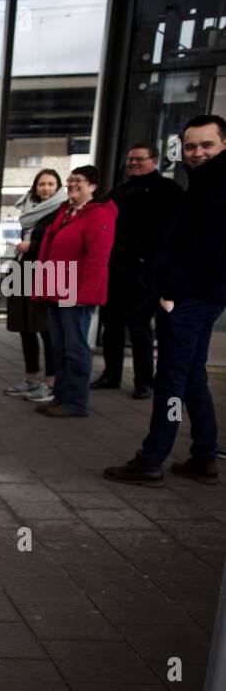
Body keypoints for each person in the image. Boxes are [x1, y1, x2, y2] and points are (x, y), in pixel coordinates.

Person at [105, 113, 226, 486]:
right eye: (191, 146)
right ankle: (204, 455)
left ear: (223, 145)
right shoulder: (205, 183)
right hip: (202, 298)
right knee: (192, 378)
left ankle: (152, 458)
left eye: (207, 145)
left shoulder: (216, 187)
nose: (197, 152)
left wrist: (171, 293)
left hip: (189, 300)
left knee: (171, 384)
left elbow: (206, 249)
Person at [92, 144, 185, 398]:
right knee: (111, 324)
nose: (133, 163)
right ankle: (111, 375)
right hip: (116, 269)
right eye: (130, 159)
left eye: (139, 159)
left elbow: (176, 235)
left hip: (149, 272)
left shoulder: (169, 191)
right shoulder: (118, 191)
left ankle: (144, 381)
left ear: (154, 160)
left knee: (139, 326)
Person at [30, 165, 117, 418]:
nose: (72, 184)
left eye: (79, 180)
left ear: (93, 186)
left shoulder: (99, 215)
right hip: (58, 289)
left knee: (75, 348)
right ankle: (62, 396)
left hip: (76, 294)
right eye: (70, 180)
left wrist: (85, 295)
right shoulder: (66, 211)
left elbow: (97, 259)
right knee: (60, 346)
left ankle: (76, 402)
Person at [3, 169, 66, 401]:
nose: (46, 188)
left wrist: (33, 245)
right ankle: (30, 379)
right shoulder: (27, 207)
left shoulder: (63, 209)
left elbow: (59, 241)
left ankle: (50, 383)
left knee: (46, 329)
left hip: (47, 271)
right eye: (42, 184)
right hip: (21, 268)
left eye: (51, 184)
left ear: (58, 187)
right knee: (24, 328)